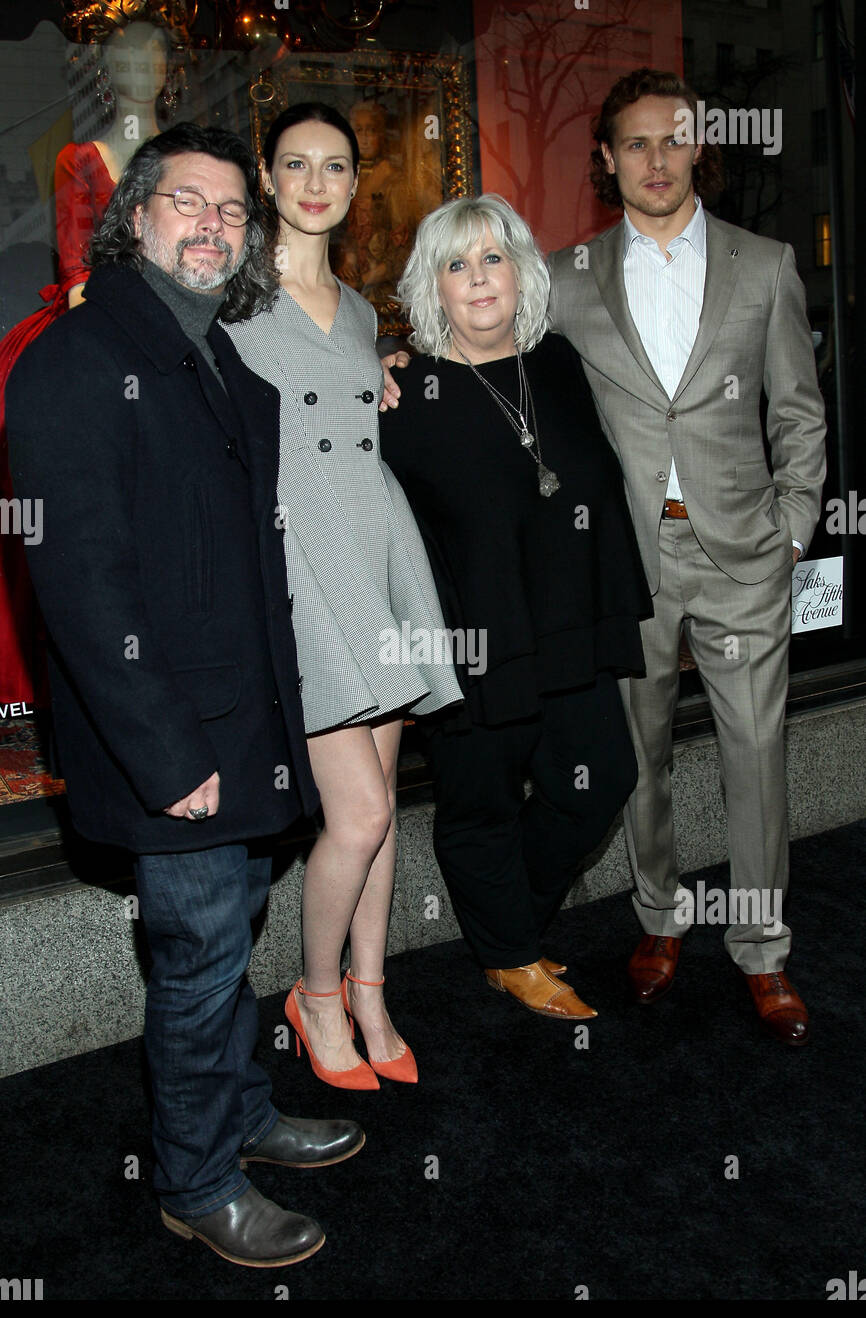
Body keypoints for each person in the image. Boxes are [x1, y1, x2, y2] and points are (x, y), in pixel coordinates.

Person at [6, 123, 365, 1268]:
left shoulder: (208, 351)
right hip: (172, 743)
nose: (212, 224)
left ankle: (242, 1112)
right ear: (135, 220)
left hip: (238, 724)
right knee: (199, 959)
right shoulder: (78, 359)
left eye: (228, 211)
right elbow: (77, 579)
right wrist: (168, 758)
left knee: (231, 941)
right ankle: (195, 1181)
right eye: (186, 205)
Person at [547, 68, 827, 1045]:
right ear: (607, 158)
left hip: (744, 553)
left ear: (696, 148)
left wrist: (791, 528)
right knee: (638, 756)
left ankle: (761, 949)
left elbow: (796, 410)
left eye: (672, 140)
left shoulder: (764, 264)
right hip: (627, 558)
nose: (654, 160)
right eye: (634, 142)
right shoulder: (565, 279)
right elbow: (514, 391)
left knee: (755, 756)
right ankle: (657, 919)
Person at [225, 103, 462, 1088]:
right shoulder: (229, 309)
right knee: (355, 816)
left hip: (378, 552)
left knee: (385, 810)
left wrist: (385, 370)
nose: (315, 181)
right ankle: (312, 992)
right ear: (267, 180)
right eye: (294, 164)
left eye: (334, 165)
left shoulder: (366, 315)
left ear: (353, 183)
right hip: (301, 572)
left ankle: (370, 988)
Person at [378, 193, 652, 1019]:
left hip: (569, 625)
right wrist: (374, 355)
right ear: (434, 288)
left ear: (522, 269)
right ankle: (510, 954)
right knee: (481, 802)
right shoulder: (399, 394)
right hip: (475, 640)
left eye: (492, 257)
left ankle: (508, 930)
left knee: (601, 777)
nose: (478, 279)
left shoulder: (558, 363)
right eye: (456, 265)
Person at [0, 12, 182, 705]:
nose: (140, 70)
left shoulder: (190, 158)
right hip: (100, 324)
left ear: (168, 70)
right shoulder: (79, 161)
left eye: (152, 58)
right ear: (105, 72)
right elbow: (80, 273)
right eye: (125, 58)